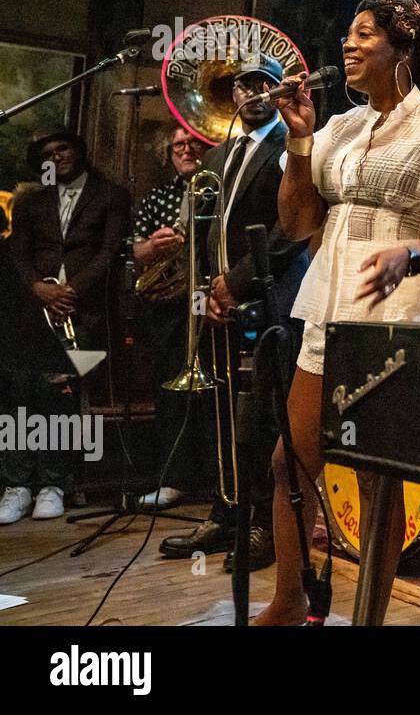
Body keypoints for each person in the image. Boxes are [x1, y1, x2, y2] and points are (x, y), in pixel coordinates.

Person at [256, 0, 420, 625]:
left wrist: (409, 255)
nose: (349, 45)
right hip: (331, 307)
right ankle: (287, 601)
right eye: (348, 35)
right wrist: (302, 141)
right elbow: (299, 221)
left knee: (377, 479)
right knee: (290, 460)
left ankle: (370, 615)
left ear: (404, 48)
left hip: (402, 317)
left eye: (365, 35)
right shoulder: (338, 129)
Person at [158, 56, 309, 574]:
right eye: (242, 85)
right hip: (220, 303)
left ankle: (264, 522)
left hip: (273, 298)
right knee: (221, 408)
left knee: (264, 413)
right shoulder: (217, 156)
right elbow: (202, 232)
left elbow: (294, 228)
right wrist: (208, 290)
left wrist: (235, 282)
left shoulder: (290, 147)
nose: (250, 93)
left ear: (276, 92)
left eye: (261, 84)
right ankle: (225, 512)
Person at [1, 128, 129, 524]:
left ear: (79, 148)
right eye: (49, 153)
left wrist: (69, 292)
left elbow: (111, 252)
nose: (58, 157)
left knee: (59, 392)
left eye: (64, 148)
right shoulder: (30, 202)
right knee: (17, 388)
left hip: (87, 315)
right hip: (34, 312)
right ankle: (18, 484)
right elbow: (18, 254)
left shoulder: (111, 194)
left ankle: (55, 483)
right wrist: (41, 290)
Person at [133, 126, 207, 510]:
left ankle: (212, 477)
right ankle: (173, 477)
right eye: (179, 144)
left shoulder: (215, 185)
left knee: (213, 392)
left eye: (193, 141)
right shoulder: (155, 199)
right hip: (170, 305)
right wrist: (152, 247)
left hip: (208, 300)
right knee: (171, 392)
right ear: (170, 153)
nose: (187, 148)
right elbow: (136, 251)